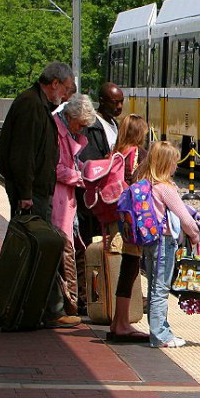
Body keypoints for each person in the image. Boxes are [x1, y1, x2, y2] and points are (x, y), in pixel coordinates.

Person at [0, 61, 79, 328]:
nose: (65, 96)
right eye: (65, 89)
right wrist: (26, 193)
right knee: (41, 249)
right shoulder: (31, 105)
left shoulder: (38, 104)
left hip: (37, 190)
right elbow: (23, 153)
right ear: (54, 84)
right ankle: (48, 310)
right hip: (33, 193)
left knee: (39, 248)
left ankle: (35, 308)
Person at [138, 141, 200, 348]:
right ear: (166, 163)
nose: (176, 166)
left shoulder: (146, 183)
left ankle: (158, 331)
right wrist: (195, 236)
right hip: (164, 242)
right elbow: (185, 219)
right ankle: (161, 336)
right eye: (174, 161)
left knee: (154, 286)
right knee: (161, 289)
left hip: (149, 241)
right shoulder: (166, 188)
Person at [101, 114, 150, 342]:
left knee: (126, 268)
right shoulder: (138, 154)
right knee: (130, 268)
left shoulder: (115, 153)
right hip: (132, 219)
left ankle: (118, 321)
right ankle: (121, 323)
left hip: (116, 217)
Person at [77, 83, 125, 312]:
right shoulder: (92, 126)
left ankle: (108, 293)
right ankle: (86, 296)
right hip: (93, 200)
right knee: (89, 246)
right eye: (115, 102)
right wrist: (107, 160)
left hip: (110, 199)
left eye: (121, 102)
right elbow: (87, 163)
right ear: (103, 101)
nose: (119, 107)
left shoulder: (115, 124)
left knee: (110, 246)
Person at [52, 94, 96, 317]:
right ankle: (65, 305)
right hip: (59, 200)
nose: (81, 129)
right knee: (64, 251)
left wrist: (84, 168)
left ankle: (69, 303)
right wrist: (80, 177)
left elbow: (69, 162)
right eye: (80, 124)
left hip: (66, 200)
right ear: (70, 117)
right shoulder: (57, 132)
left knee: (69, 249)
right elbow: (57, 168)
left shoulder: (67, 131)